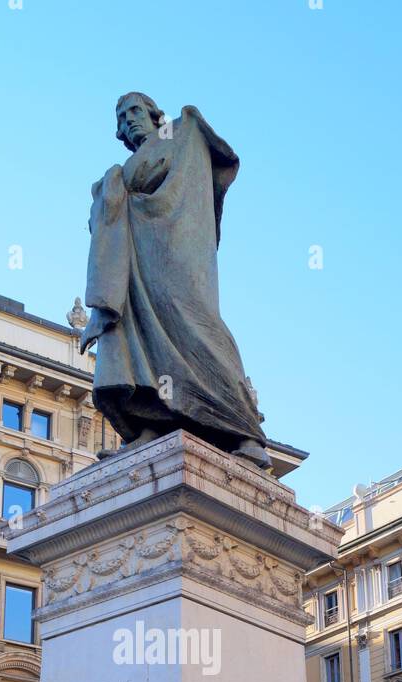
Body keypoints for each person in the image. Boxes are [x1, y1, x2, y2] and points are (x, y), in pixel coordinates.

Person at [81, 93, 271, 468]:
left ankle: (245, 432)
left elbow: (190, 184)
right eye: (122, 116)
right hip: (132, 263)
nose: (129, 120)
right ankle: (154, 419)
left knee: (194, 325)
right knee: (133, 333)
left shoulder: (180, 134)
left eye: (136, 111)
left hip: (172, 250)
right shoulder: (128, 164)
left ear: (154, 115)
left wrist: (119, 189)